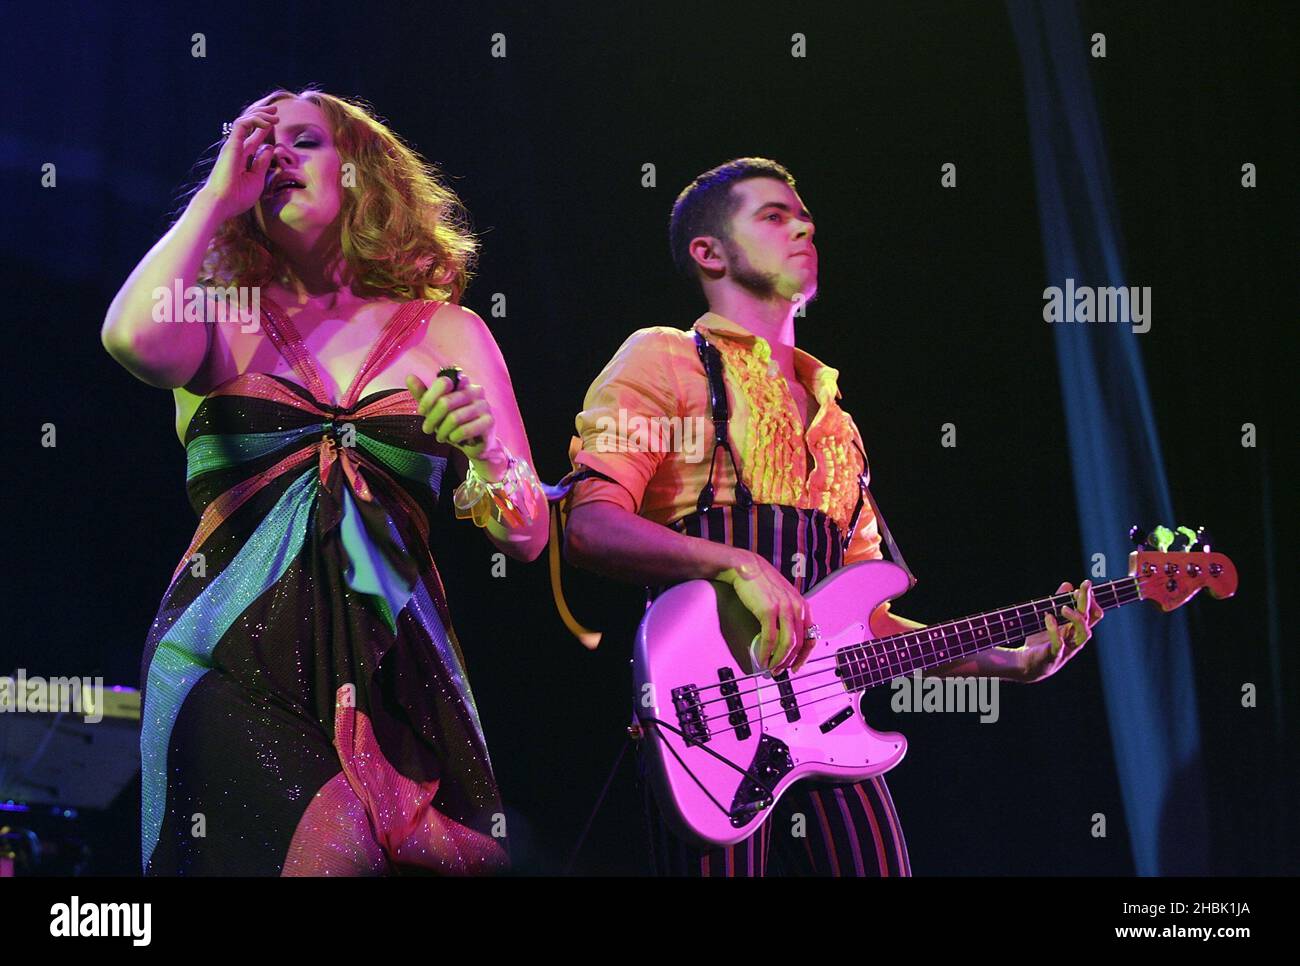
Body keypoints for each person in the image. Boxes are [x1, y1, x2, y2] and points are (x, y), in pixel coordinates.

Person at [560, 157, 1103, 876]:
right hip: (706, 718)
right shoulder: (664, 360)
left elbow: (868, 624)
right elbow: (590, 525)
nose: (803, 225)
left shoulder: (837, 422)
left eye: (805, 216)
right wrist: (736, 562)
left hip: (827, 723)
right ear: (709, 252)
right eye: (774, 215)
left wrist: (1008, 662)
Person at [101, 87, 548, 875]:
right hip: (227, 656)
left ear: (362, 174)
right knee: (336, 852)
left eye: (304, 141)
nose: (276, 157)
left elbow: (527, 532)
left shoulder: (449, 330)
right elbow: (130, 337)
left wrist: (486, 453)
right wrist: (215, 194)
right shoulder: (215, 311)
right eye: (258, 145)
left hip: (396, 667)